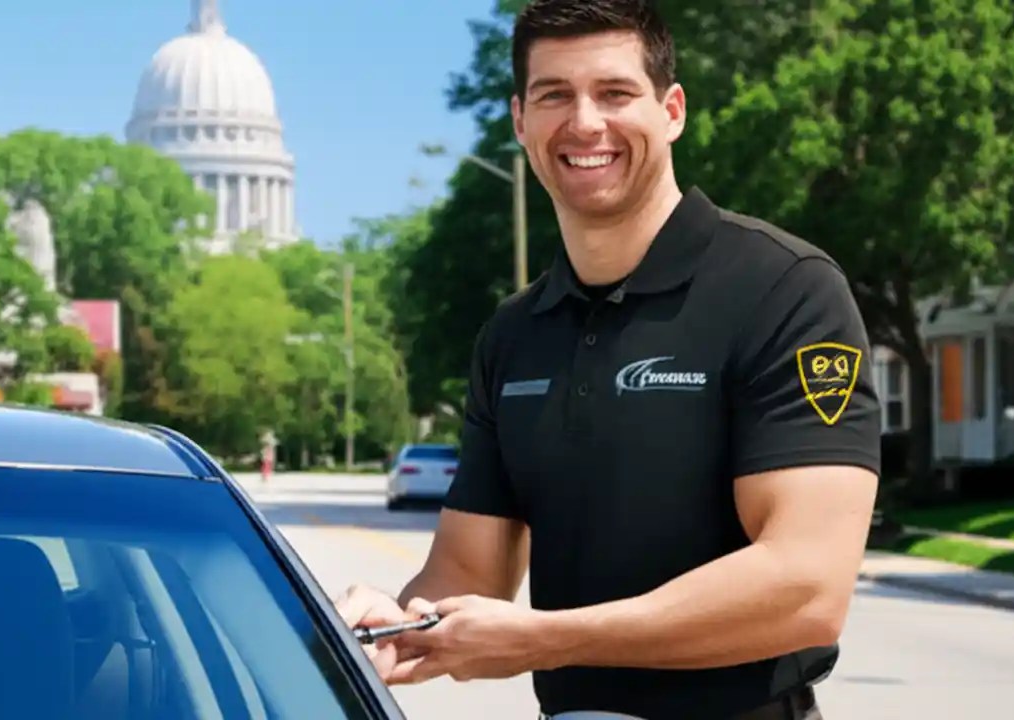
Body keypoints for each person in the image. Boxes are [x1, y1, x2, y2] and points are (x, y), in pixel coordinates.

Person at [334, 1, 880, 718]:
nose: (585, 123)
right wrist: (394, 625)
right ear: (521, 122)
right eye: (554, 95)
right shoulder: (513, 335)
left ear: (672, 110)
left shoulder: (784, 291)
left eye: (615, 93)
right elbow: (471, 572)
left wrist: (548, 639)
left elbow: (806, 589)